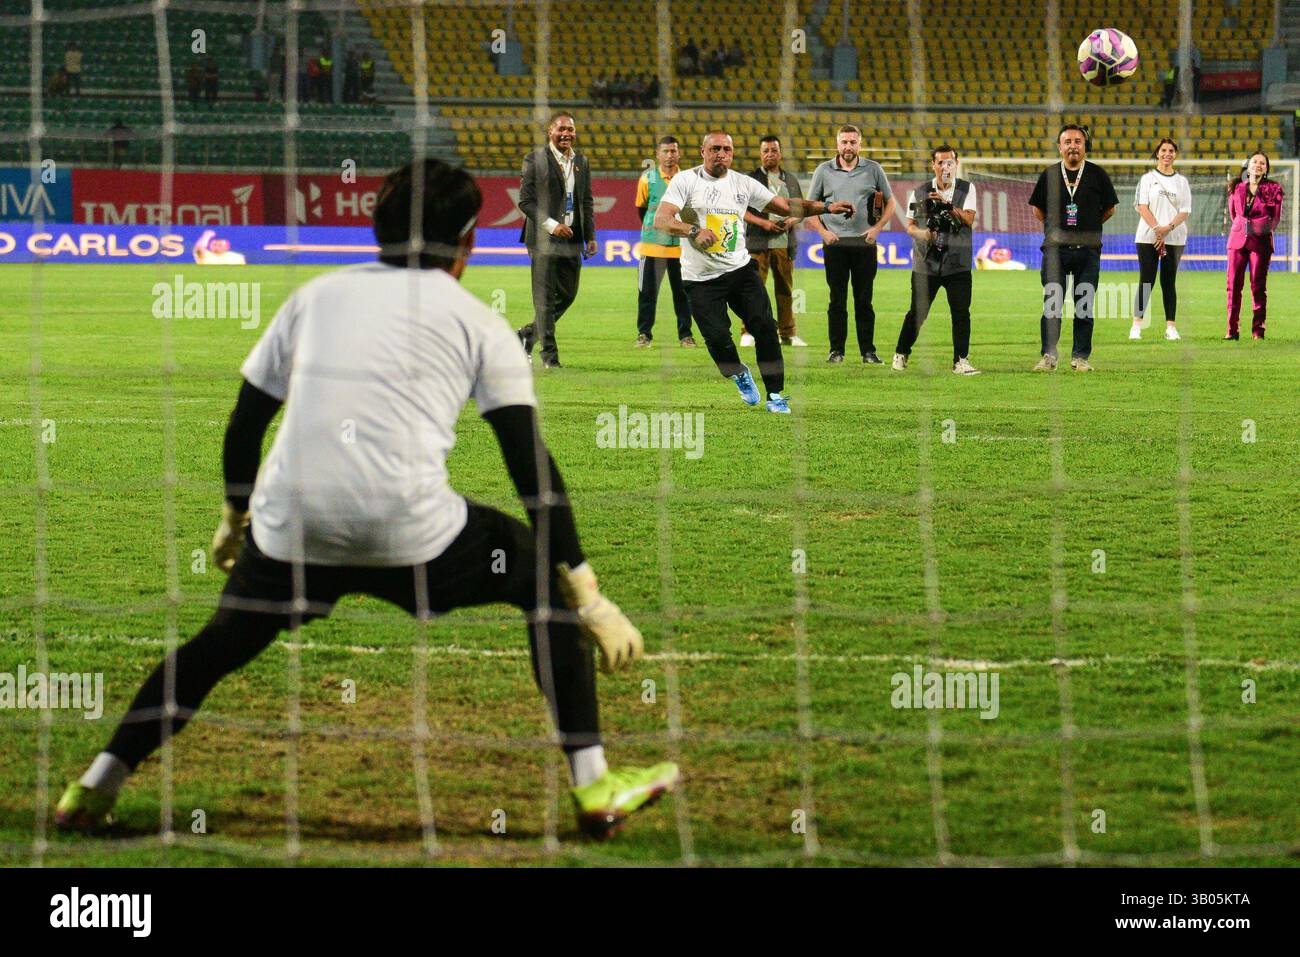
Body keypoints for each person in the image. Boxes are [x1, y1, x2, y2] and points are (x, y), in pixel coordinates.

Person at [53, 159, 679, 842]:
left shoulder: (316, 296)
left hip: (291, 529)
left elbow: (244, 424)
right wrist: (587, 595)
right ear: (468, 243)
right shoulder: (482, 324)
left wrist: (235, 519)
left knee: (214, 647)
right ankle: (593, 785)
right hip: (409, 535)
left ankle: (93, 788)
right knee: (534, 570)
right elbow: (531, 470)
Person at [653, 131, 854, 414]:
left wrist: (828, 207)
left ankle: (775, 394)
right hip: (700, 280)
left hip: (740, 271)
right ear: (702, 151)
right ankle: (737, 372)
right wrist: (693, 230)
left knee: (765, 327)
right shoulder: (685, 180)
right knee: (717, 339)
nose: (721, 153)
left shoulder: (742, 183)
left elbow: (786, 206)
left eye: (727, 149)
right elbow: (661, 219)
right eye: (715, 149)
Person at [1027, 124, 1118, 372]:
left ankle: (1080, 357)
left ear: (1084, 146)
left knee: (1084, 306)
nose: (1073, 146)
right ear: (1060, 147)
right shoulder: (1049, 175)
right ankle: (1048, 356)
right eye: (1067, 142)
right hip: (1056, 251)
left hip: (1087, 252)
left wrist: (1088, 228)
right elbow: (1037, 210)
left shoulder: (1098, 174)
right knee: (1052, 305)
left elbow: (1110, 208)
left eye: (1077, 141)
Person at [807, 125, 896, 364]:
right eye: (844, 142)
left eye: (853, 142)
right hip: (835, 244)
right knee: (837, 299)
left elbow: (891, 203)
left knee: (864, 299)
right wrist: (823, 233)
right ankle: (836, 350)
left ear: (860, 144)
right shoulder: (824, 170)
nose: (848, 147)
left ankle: (868, 351)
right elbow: (810, 206)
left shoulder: (873, 169)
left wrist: (877, 229)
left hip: (864, 243)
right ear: (837, 144)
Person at [515, 112, 596, 368]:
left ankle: (527, 335)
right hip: (542, 238)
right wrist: (552, 225)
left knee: (568, 294)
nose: (566, 134)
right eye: (561, 129)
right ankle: (549, 357)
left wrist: (591, 236)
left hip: (572, 238)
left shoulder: (581, 161)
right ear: (550, 131)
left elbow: (586, 201)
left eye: (570, 129)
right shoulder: (535, 160)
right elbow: (525, 201)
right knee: (545, 297)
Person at [891, 145, 980, 375]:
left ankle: (961, 360)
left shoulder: (967, 188)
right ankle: (901, 353)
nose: (945, 166)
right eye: (940, 162)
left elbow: (969, 219)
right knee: (917, 312)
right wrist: (924, 235)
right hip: (926, 262)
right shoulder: (920, 192)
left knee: (961, 313)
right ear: (934, 165)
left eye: (949, 162)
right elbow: (910, 226)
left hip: (957, 262)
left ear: (956, 164)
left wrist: (947, 205)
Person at [741, 135, 807, 347]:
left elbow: (801, 210)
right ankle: (748, 332)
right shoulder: (750, 179)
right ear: (760, 154)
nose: (770, 154)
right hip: (756, 243)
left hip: (784, 243)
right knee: (752, 289)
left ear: (780, 154)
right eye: (765, 150)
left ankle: (787, 333)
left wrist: (791, 221)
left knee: (785, 289)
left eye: (773, 150)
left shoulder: (791, 180)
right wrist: (763, 223)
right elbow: (740, 210)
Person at [634, 136, 696, 348]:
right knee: (647, 294)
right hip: (652, 247)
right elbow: (641, 208)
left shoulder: (689, 178)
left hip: (681, 248)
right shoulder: (647, 178)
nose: (670, 156)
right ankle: (644, 334)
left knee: (683, 295)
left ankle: (685, 335)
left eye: (673, 151)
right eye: (666, 151)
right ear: (657, 154)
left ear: (679, 153)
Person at [1131, 138, 1191, 341]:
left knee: (1169, 282)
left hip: (1174, 237)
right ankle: (1136, 326)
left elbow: (1185, 211)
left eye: (1171, 150)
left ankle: (1171, 327)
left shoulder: (1182, 182)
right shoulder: (1147, 179)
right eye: (1163, 150)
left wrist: (1167, 229)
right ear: (1157, 153)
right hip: (1148, 237)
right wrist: (1157, 229)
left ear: (1175, 154)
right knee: (1146, 280)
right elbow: (1142, 206)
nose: (1167, 153)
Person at [1225, 151, 1284, 340]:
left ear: (1266, 168)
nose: (1258, 165)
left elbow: (1275, 217)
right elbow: (1234, 214)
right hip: (1237, 240)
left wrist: (1260, 230)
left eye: (1262, 163)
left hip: (1261, 242)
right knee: (1233, 286)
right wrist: (1243, 228)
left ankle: (1258, 331)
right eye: (1254, 162)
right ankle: (1232, 331)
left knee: (1258, 287)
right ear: (1248, 166)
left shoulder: (1274, 188)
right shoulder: (1237, 187)